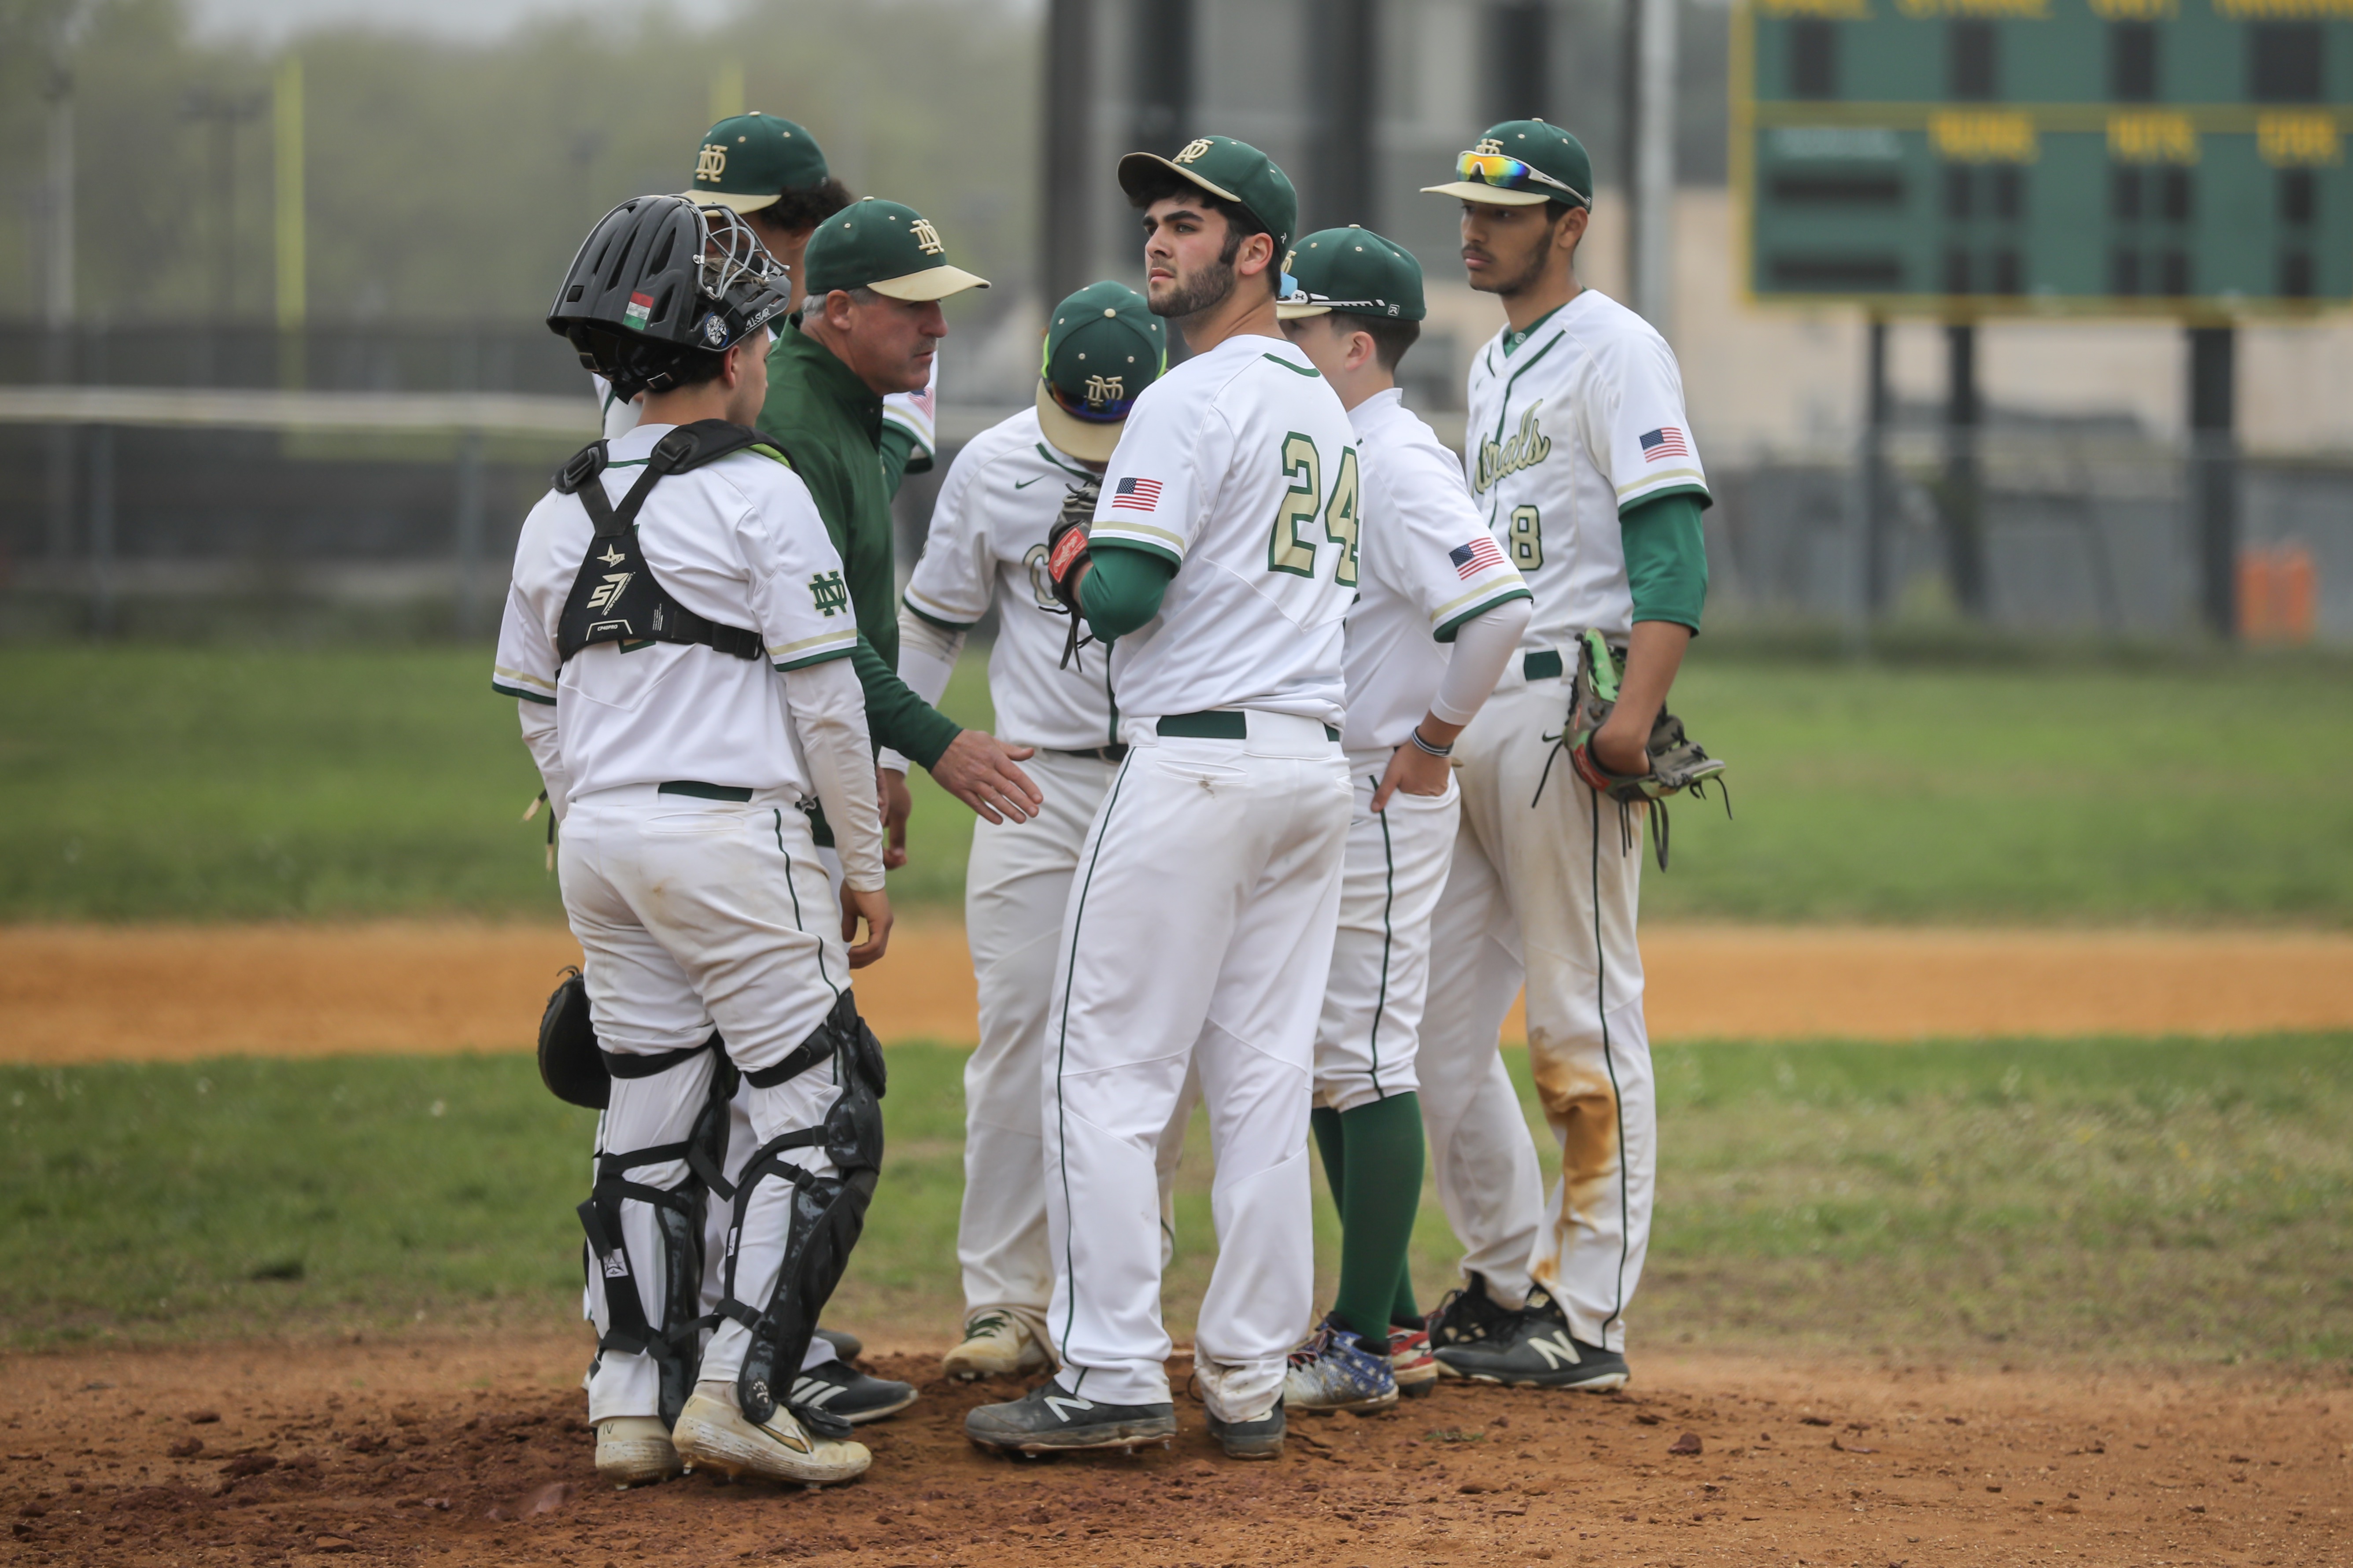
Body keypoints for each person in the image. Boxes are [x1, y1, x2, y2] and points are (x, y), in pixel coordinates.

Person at [963, 135, 1355, 1463]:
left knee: (1106, 1070)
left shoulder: (1188, 398)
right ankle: (1246, 1373)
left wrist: (1071, 551)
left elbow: (1124, 594)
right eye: (1155, 221)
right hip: (1310, 763)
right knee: (1257, 1081)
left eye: (1189, 223)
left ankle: (1111, 1370)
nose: (1158, 242)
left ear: (1257, 254)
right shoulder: (1319, 402)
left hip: (1193, 763)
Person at [497, 195, 888, 1487]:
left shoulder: (559, 509)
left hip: (599, 838)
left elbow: (534, 706)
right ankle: (737, 1387)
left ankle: (626, 1400)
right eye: (762, 347)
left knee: (646, 1116)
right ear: (728, 358)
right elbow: (828, 703)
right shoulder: (758, 492)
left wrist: (592, 815)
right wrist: (863, 869)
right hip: (731, 834)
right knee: (823, 1106)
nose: (766, 368)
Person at [1412, 120, 1711, 1390]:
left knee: (1579, 1020)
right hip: (1477, 704)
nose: (1473, 228)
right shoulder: (1488, 363)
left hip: (1568, 711)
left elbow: (1669, 540)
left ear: (1568, 225)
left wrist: (1633, 713)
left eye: (1504, 210)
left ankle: (1586, 1319)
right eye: (1468, 206)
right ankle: (1501, 1279)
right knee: (1424, 1030)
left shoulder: (1620, 349)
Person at [892, 281, 1201, 1383]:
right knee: (1020, 1033)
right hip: (1036, 782)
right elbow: (934, 618)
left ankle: (1118, 1292)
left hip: (1172, 779)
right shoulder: (995, 465)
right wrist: (895, 759)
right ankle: (1006, 1298)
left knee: (1148, 1048)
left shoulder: (1202, 453)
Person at [1271, 228, 1531, 1413]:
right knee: (1333, 1062)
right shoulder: (1341, 447)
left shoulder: (1394, 460)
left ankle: (1363, 1346)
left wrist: (1431, 744)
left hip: (1382, 784)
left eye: (1300, 328)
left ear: (1356, 341)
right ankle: (1388, 1314)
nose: (1282, 344)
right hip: (1340, 780)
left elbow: (1494, 610)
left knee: (1364, 1060)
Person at [595, 111, 938, 495]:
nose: (708, 231)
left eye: (731, 219)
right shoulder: (660, 313)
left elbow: (873, 487)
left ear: (798, 225)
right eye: (701, 212)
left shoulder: (879, 330)